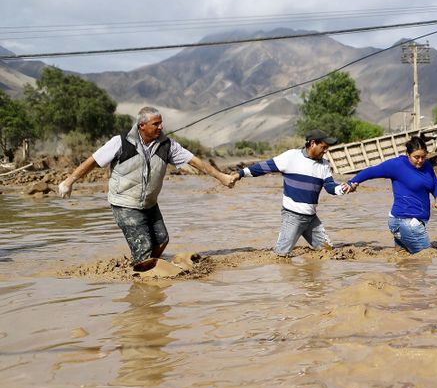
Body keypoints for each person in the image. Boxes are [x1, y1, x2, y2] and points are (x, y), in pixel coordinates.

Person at [57, 106, 236, 269]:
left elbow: (194, 161)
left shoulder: (167, 145)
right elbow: (92, 161)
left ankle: (144, 266)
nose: (160, 127)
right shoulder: (120, 142)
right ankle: (143, 278)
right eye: (156, 124)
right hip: (124, 203)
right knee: (144, 247)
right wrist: (69, 182)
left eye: (161, 123)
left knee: (162, 239)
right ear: (142, 126)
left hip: (149, 204)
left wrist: (221, 177)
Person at [233, 130, 347, 255]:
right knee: (280, 256)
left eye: (327, 148)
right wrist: (240, 174)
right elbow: (263, 167)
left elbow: (330, 187)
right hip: (292, 217)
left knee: (328, 252)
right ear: (313, 143)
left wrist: (342, 188)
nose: (326, 151)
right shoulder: (291, 157)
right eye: (323, 147)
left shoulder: (324, 164)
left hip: (311, 219)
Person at [342, 136, 437, 254]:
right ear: (408, 154)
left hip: (414, 222)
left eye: (423, 157)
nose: (420, 160)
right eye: (416, 157)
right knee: (427, 257)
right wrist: (352, 182)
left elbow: (435, 184)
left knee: (404, 263)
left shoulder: (427, 166)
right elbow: (372, 171)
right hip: (406, 222)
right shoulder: (397, 165)